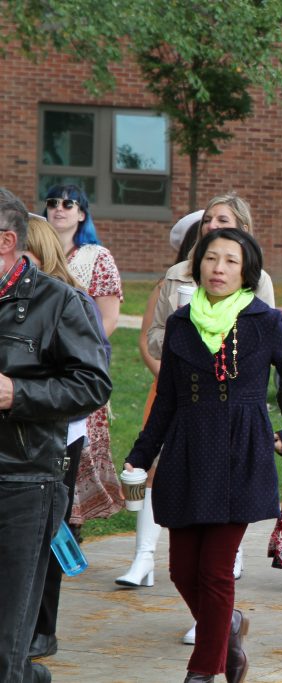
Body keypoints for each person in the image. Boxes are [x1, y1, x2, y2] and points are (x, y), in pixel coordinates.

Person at [125, 228, 282, 683]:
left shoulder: (264, 321)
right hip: (187, 453)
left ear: (246, 271)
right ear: (198, 265)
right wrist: (139, 456)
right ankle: (226, 626)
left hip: (240, 452)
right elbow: (167, 399)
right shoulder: (182, 322)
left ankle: (204, 670)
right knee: (181, 570)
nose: (219, 268)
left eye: (230, 260)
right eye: (211, 258)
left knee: (214, 571)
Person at [132, 193, 273, 608]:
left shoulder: (257, 291)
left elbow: (270, 354)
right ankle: (219, 621)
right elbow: (154, 335)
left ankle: (207, 657)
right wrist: (180, 357)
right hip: (186, 413)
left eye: (222, 219)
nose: (211, 225)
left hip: (234, 423)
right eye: (207, 219)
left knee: (215, 564)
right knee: (183, 567)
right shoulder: (177, 278)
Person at [0, 188, 111, 683]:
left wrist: (17, 394)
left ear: (6, 241)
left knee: (7, 640)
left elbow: (93, 384)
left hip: (24, 481)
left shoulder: (60, 301)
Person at [116, 210, 202, 591]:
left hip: (212, 395)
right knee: (151, 468)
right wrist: (170, 380)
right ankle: (143, 556)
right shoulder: (169, 282)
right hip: (168, 389)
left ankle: (228, 557)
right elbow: (147, 341)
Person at [42, 184, 124, 528]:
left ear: (81, 213)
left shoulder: (96, 257)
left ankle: (70, 528)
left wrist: (77, 352)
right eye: (52, 203)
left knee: (77, 451)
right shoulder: (36, 254)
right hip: (41, 370)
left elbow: (109, 317)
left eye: (68, 203)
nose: (59, 209)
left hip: (78, 370)